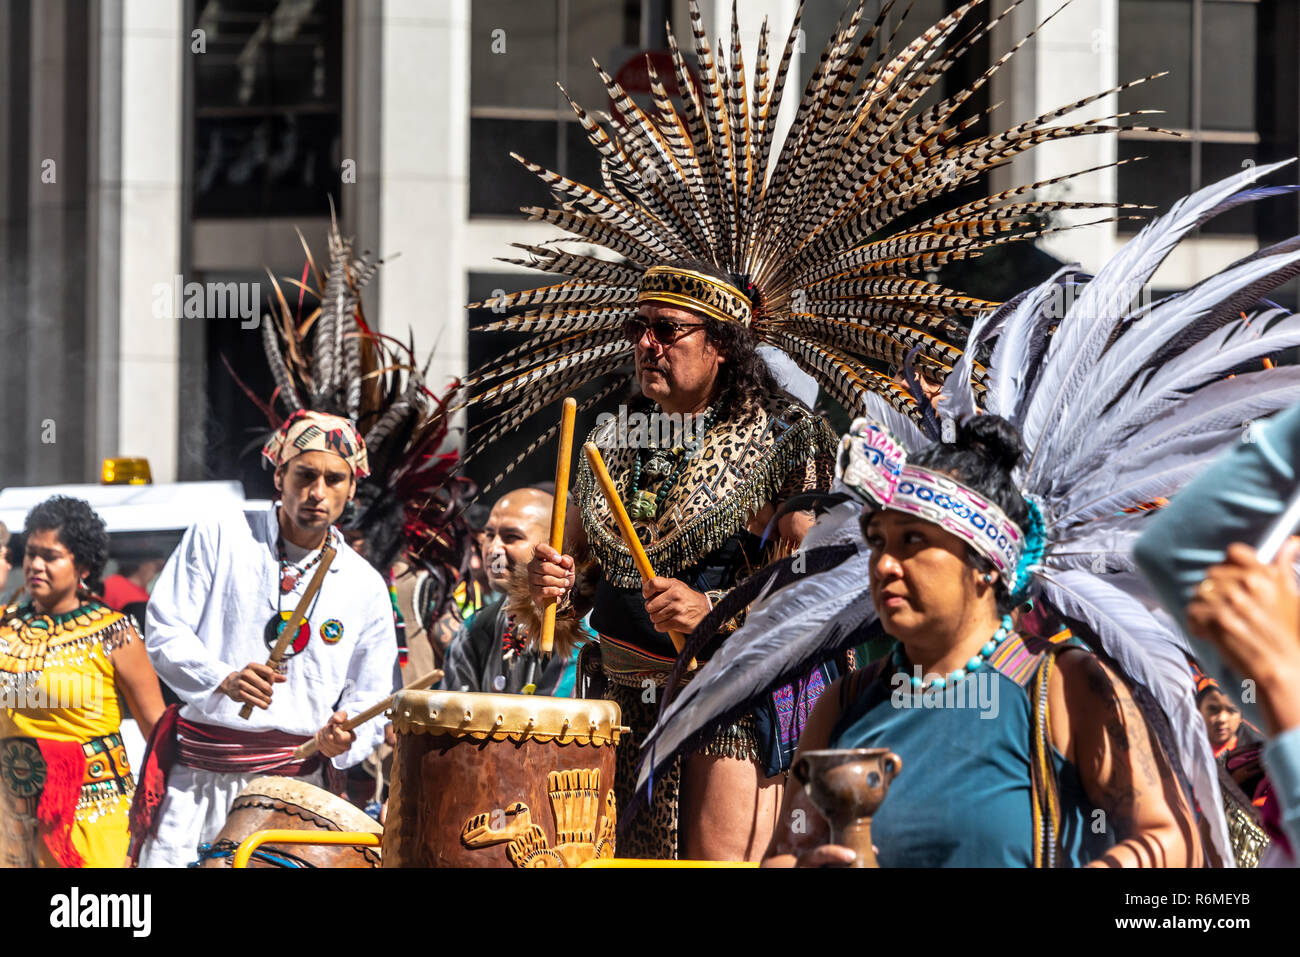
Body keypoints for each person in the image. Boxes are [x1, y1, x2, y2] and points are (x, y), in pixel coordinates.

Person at [763, 417, 1200, 867]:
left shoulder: (1064, 687)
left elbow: (1170, 838)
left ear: (985, 566)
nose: (885, 565)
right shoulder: (842, 705)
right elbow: (786, 849)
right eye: (879, 541)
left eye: (913, 540)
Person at [527, 261, 839, 860]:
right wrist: (553, 584)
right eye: (639, 328)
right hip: (617, 699)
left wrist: (715, 612)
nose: (647, 345)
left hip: (724, 700)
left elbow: (820, 580)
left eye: (667, 331)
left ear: (720, 344)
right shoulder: (617, 437)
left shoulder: (782, 436)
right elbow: (573, 564)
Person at [131, 410, 398, 867]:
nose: (318, 492)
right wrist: (222, 679)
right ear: (280, 475)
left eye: (335, 479)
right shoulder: (220, 535)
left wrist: (344, 736)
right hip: (198, 782)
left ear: (352, 488)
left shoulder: (365, 585)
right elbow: (163, 628)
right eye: (305, 475)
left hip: (293, 795)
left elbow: (373, 694)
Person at [0, 496, 165, 867]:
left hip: (92, 819)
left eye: (50, 556)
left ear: (83, 566)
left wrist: (155, 824)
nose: (35, 565)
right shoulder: (4, 628)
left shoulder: (115, 633)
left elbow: (157, 730)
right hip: (11, 821)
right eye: (30, 554)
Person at [442, 487, 573, 695]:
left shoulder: (577, 632)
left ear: (553, 545)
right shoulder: (475, 627)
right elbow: (453, 712)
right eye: (489, 534)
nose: (494, 549)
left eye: (511, 537)